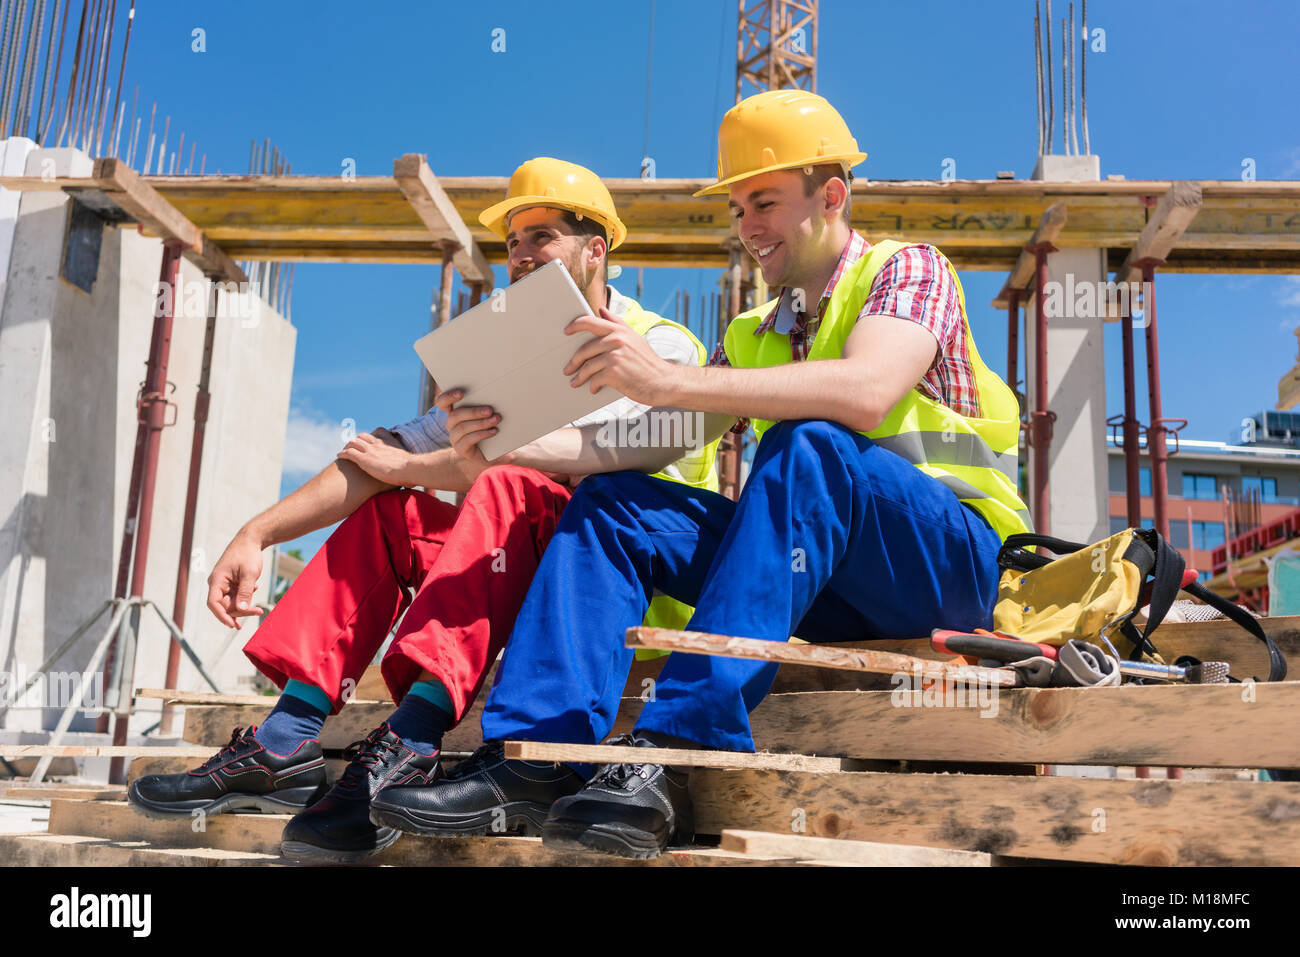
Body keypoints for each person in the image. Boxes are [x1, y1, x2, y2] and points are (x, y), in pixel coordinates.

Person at [371, 90, 1031, 860]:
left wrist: (670, 380)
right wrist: (502, 449)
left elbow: (867, 389)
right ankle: (538, 756)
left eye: (766, 201)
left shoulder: (908, 270)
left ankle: (676, 744)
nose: (748, 225)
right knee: (615, 502)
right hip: (826, 589)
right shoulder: (755, 332)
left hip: (949, 570)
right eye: (738, 206)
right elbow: (647, 443)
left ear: (832, 197)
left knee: (808, 440)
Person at [126, 158, 718, 863]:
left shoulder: (660, 346)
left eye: (543, 236)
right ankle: (284, 740)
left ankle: (411, 736)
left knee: (507, 484)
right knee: (393, 513)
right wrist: (259, 531)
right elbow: (382, 457)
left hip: (615, 601)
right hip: (518, 576)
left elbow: (606, 455)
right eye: (513, 243)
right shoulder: (507, 364)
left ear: (597, 249)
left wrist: (457, 460)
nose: (522, 255)